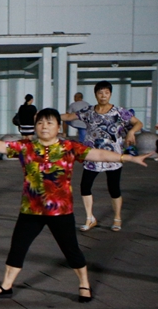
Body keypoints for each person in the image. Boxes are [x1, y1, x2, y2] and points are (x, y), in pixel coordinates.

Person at [0, 108, 150, 302]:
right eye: (40, 123)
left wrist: (128, 157)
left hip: (60, 211)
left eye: (49, 123)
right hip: (31, 210)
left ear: (59, 127)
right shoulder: (26, 146)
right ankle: (6, 286)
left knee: (71, 249)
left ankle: (84, 283)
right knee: (17, 248)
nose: (44, 127)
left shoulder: (69, 147)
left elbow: (97, 155)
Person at [61, 81, 144, 232]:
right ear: (95, 94)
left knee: (113, 188)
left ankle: (117, 217)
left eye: (106, 93)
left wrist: (131, 132)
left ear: (110, 94)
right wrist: (48, 116)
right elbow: (68, 116)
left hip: (113, 155)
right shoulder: (89, 111)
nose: (103, 96)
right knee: (85, 186)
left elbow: (138, 123)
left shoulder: (119, 112)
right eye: (100, 93)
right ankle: (89, 218)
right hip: (92, 155)